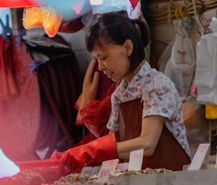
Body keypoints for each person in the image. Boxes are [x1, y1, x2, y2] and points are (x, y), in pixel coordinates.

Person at [53, 13, 191, 172]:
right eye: (97, 60)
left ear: (128, 47)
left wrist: (93, 150)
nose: (100, 67)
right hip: (141, 179)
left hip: (173, 178)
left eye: (103, 57)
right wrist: (78, 155)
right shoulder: (119, 94)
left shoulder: (155, 85)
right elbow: (111, 144)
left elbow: (148, 144)